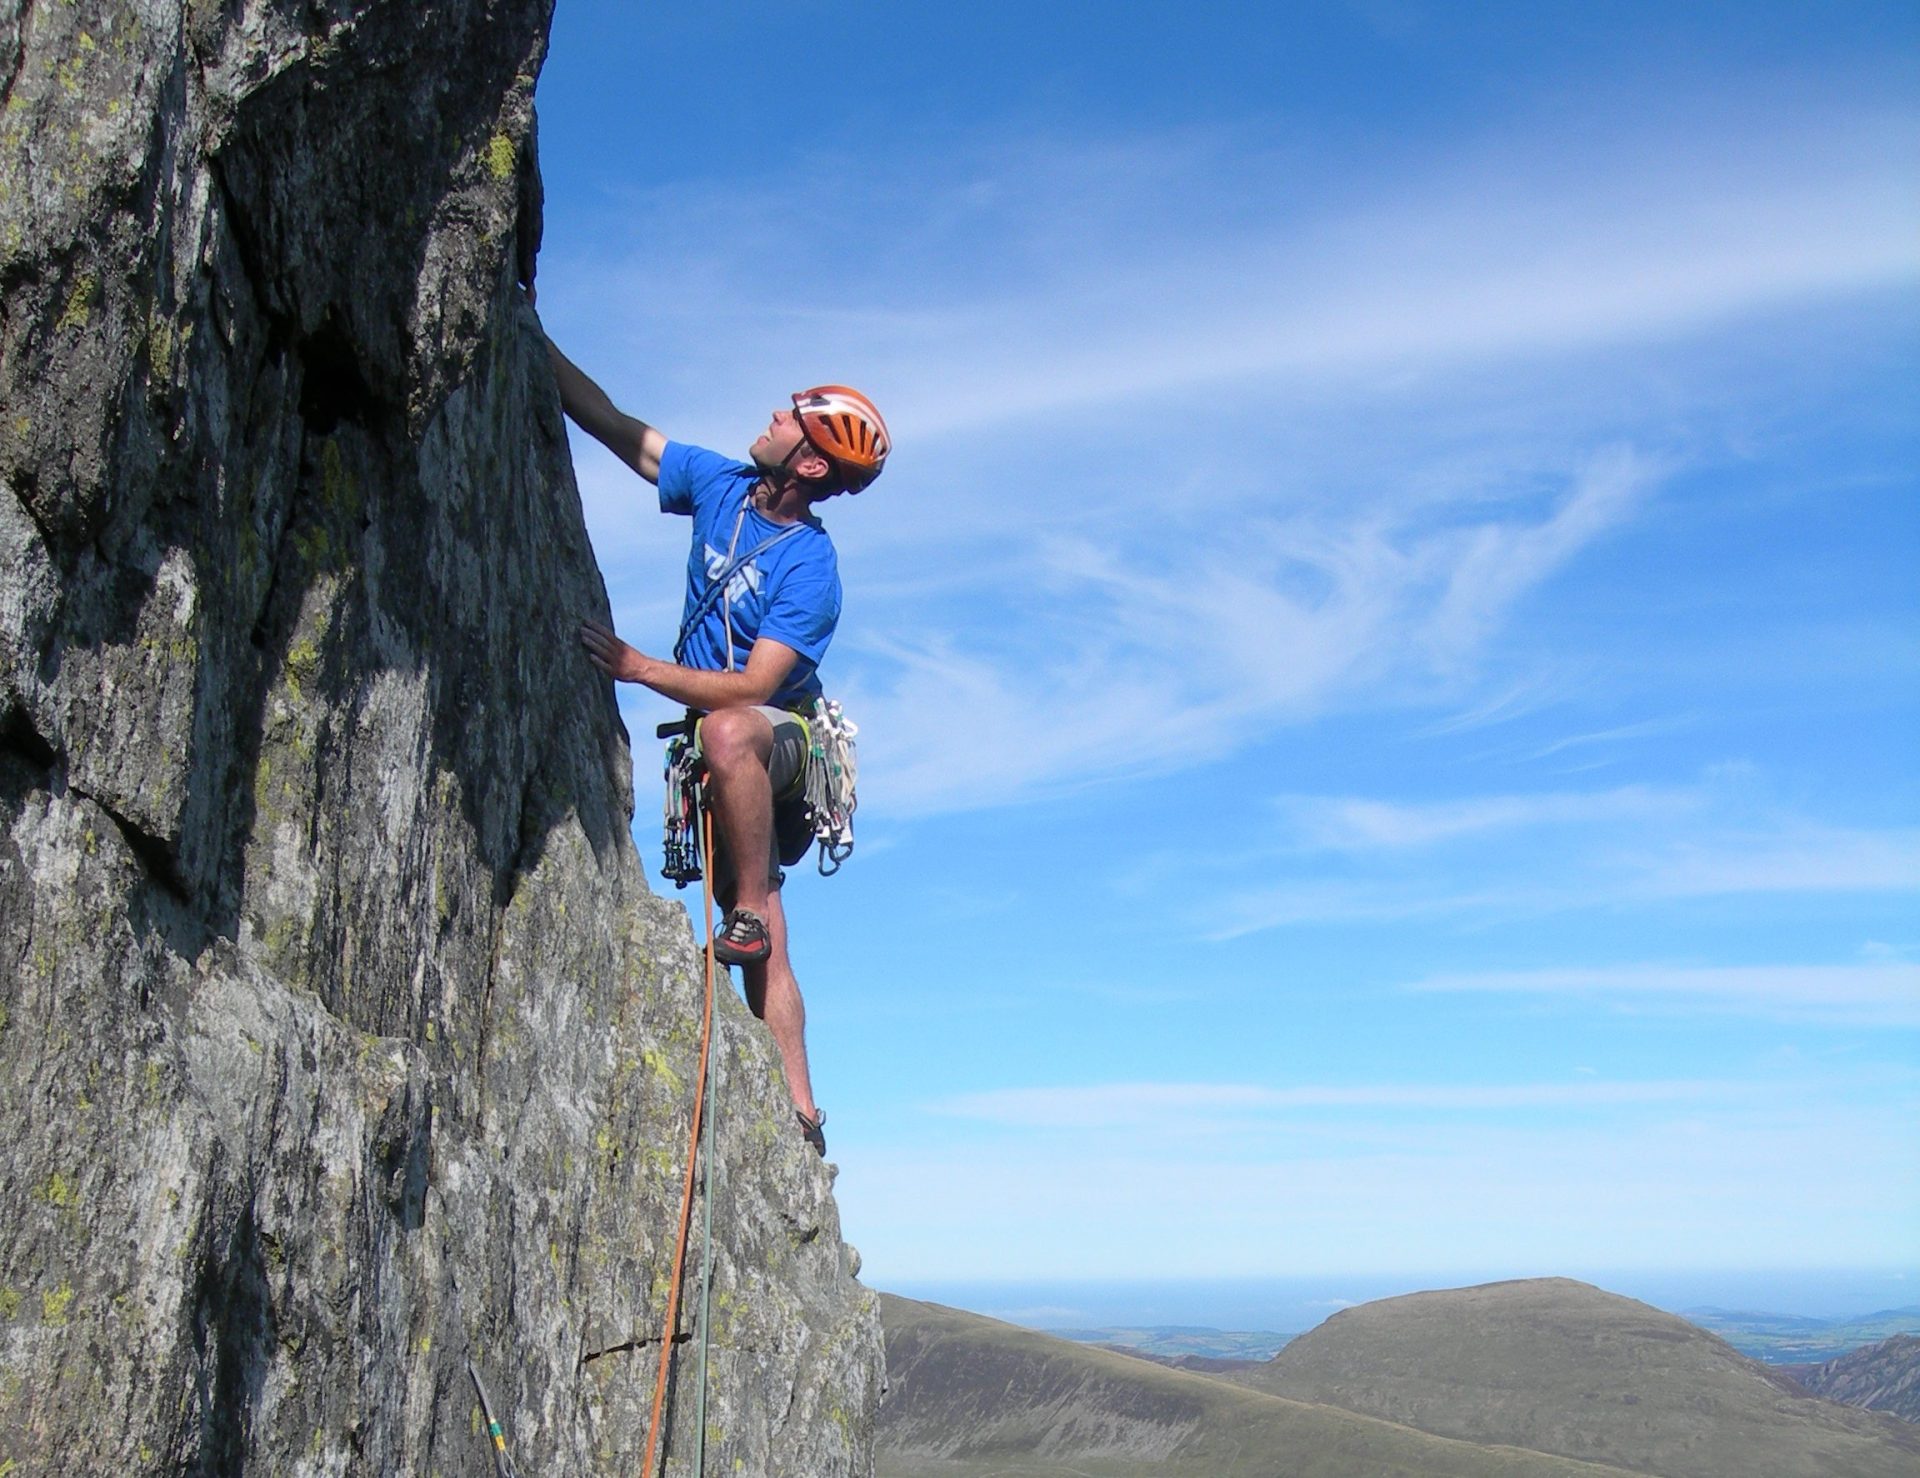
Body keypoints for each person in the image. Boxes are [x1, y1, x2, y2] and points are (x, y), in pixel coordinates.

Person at [543, 334, 888, 1158]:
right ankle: (802, 1113)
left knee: (732, 739)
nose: (774, 414)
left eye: (791, 417)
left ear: (809, 465)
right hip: (722, 755)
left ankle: (744, 917)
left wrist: (638, 668)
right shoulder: (722, 486)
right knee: (763, 913)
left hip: (779, 743)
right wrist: (530, 332)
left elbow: (754, 689)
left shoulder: (811, 567)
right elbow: (616, 427)